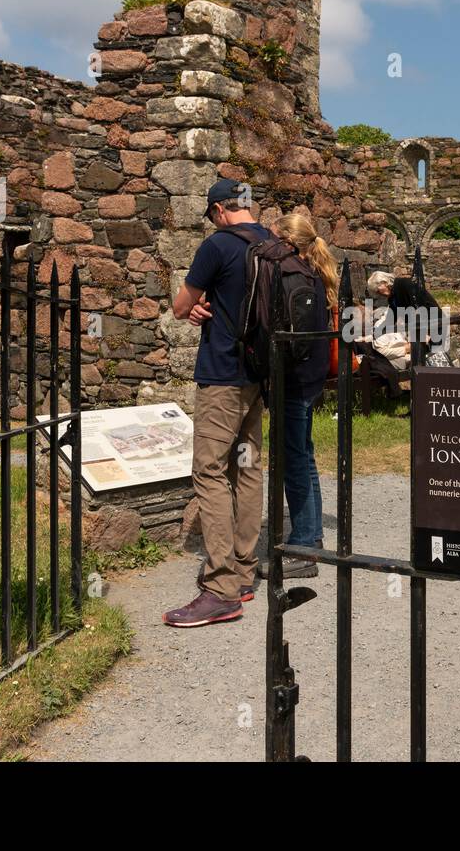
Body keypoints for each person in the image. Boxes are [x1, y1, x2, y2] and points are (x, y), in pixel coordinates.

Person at [163, 179, 272, 628]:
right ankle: (245, 571)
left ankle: (222, 587)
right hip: (258, 375)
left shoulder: (218, 245)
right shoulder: (274, 243)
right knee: (247, 468)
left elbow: (179, 305)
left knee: (209, 470)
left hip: (222, 375)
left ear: (218, 210)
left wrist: (194, 304)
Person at [271, 213, 336, 579]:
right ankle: (313, 536)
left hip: (296, 381)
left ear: (286, 242)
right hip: (310, 379)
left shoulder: (294, 275)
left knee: (294, 459)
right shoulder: (314, 273)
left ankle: (304, 545)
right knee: (305, 456)